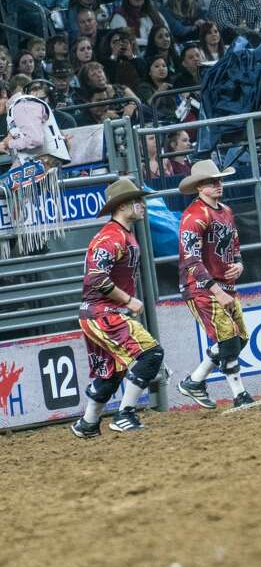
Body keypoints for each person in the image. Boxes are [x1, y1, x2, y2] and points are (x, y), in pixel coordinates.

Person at [72, 177, 170, 437]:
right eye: (137, 201)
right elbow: (96, 277)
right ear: (122, 206)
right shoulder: (112, 237)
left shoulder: (120, 235)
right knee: (151, 354)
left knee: (112, 370)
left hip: (98, 312)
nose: (142, 205)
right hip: (102, 312)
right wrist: (127, 300)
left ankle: (88, 423)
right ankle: (124, 414)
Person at [175, 159, 254, 409]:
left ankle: (195, 381)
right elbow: (192, 261)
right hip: (201, 287)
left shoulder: (226, 211)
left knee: (240, 338)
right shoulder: (193, 216)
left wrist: (239, 265)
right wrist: (217, 291)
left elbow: (235, 245)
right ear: (199, 187)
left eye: (218, 180)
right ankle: (239, 394)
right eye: (211, 181)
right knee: (229, 338)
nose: (217, 184)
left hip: (223, 284)